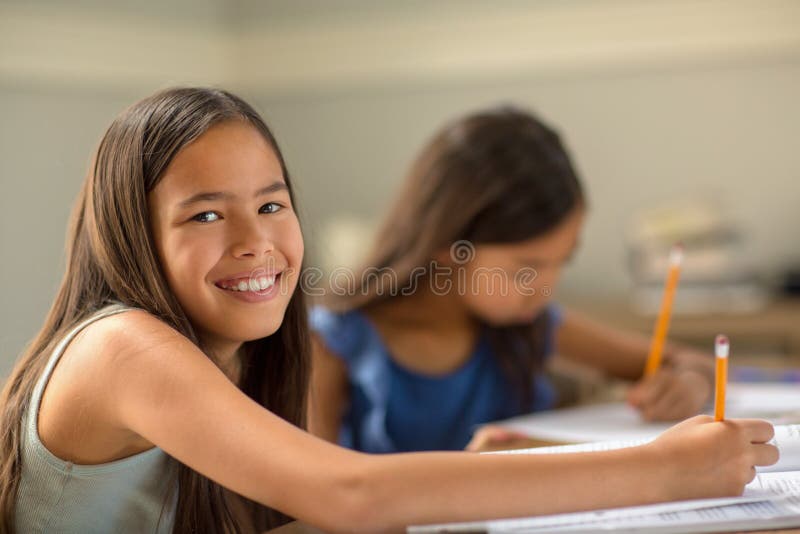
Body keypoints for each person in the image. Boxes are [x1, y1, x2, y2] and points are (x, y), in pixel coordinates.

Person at [0, 88, 776, 534]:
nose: (255, 242)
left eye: (272, 205)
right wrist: (661, 469)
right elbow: (351, 493)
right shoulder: (124, 350)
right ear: (133, 232)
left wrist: (468, 482)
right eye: (206, 215)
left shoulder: (236, 356)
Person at [308, 106, 718, 454]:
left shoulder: (533, 325)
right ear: (449, 245)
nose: (546, 288)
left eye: (562, 262)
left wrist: (689, 381)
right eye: (527, 269)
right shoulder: (333, 344)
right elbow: (319, 492)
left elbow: (694, 361)